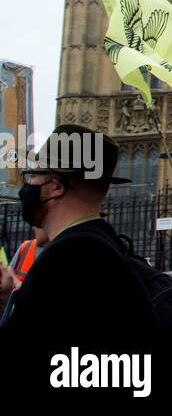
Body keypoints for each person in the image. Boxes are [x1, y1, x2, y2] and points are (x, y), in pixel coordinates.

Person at [1, 126, 153, 328]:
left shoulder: (68, 258)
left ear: (56, 187)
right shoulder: (105, 245)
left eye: (32, 175)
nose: (27, 185)